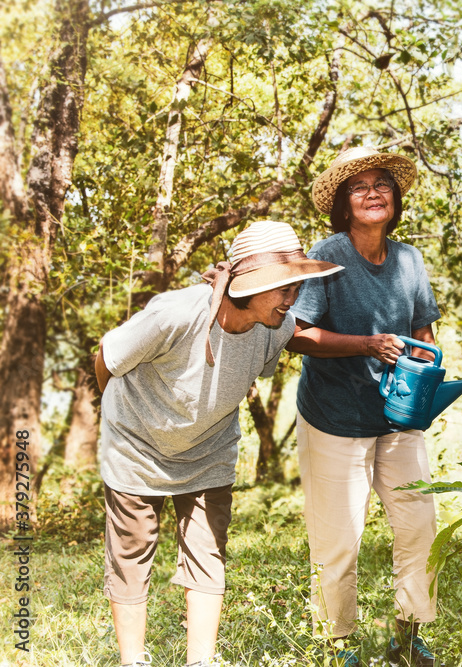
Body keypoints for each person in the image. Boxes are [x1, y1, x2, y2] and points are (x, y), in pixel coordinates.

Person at [95, 220, 341, 667]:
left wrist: (369, 344)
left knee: (207, 553)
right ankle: (133, 660)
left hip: (209, 449)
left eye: (296, 287)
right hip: (135, 445)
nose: (293, 299)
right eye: (283, 287)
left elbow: (302, 343)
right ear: (246, 286)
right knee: (131, 555)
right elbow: (107, 359)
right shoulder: (175, 313)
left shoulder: (273, 327)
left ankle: (201, 661)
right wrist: (122, 421)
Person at [286, 146, 441, 667]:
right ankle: (338, 646)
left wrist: (420, 371)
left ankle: (410, 635)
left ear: (395, 199)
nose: (373, 193)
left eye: (382, 185)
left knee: (420, 525)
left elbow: (423, 328)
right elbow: (298, 335)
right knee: (339, 541)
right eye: (360, 187)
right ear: (344, 205)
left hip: (398, 419)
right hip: (334, 418)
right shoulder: (328, 254)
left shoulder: (409, 260)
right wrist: (368, 344)